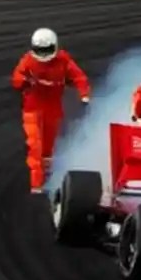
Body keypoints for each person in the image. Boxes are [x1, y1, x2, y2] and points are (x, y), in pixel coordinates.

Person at [11, 27, 91, 193]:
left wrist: (84, 95)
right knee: (35, 146)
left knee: (47, 149)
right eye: (40, 50)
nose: (44, 55)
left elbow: (79, 77)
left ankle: (48, 176)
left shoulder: (63, 61)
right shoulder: (28, 61)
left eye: (46, 50)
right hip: (32, 109)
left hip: (53, 109)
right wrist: (23, 81)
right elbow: (16, 78)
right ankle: (36, 186)